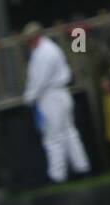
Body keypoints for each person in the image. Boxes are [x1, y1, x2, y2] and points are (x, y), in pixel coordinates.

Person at [23, 22, 91, 184]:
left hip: (50, 97)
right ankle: (82, 166)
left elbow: (38, 81)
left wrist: (28, 98)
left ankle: (57, 175)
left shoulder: (42, 53)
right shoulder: (51, 48)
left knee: (53, 137)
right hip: (61, 93)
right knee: (69, 132)